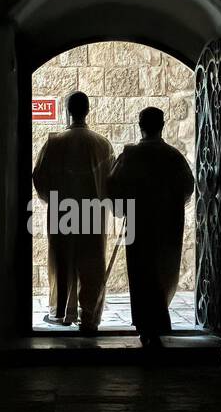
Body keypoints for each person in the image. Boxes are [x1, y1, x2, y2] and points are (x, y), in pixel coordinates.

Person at [108, 105, 194, 348]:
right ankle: (158, 318)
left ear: (140, 126)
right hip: (168, 225)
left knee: (141, 273)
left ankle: (146, 324)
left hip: (139, 223)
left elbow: (113, 186)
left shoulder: (130, 156)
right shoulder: (173, 156)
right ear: (163, 125)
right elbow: (187, 187)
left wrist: (124, 207)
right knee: (163, 271)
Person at [33, 90, 114, 335]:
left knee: (62, 261)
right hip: (93, 213)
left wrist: (53, 200)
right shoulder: (102, 143)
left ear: (67, 111)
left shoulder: (54, 142)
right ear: (87, 110)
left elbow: (39, 177)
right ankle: (89, 316)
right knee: (92, 263)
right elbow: (111, 181)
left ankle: (62, 312)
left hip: (63, 212)